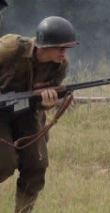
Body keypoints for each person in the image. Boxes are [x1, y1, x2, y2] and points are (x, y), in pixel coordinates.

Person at [0, 16, 77, 212]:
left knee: (37, 165)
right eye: (60, 47)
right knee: (4, 164)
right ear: (45, 45)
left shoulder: (60, 66)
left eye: (66, 48)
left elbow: (42, 104)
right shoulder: (10, 49)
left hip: (27, 112)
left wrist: (47, 103)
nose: (64, 53)